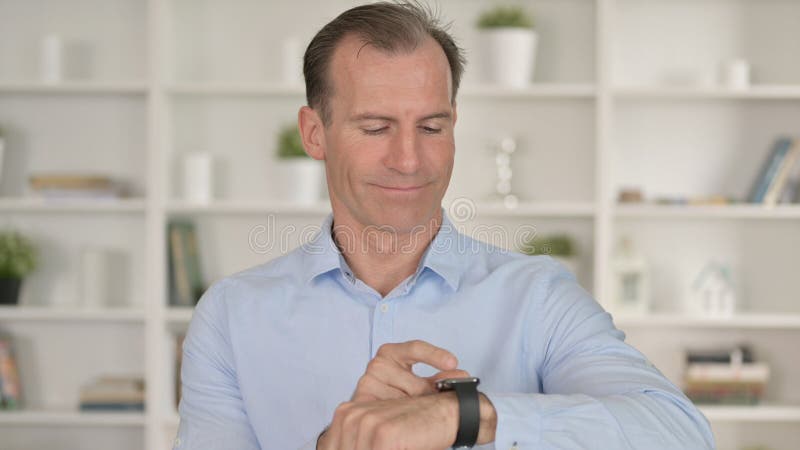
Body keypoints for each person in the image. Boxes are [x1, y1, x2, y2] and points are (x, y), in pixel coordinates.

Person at [174, 2, 715, 449]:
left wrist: (464, 418)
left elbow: (681, 433)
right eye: (376, 127)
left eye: (431, 126)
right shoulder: (230, 316)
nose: (409, 159)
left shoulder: (537, 298)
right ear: (314, 133)